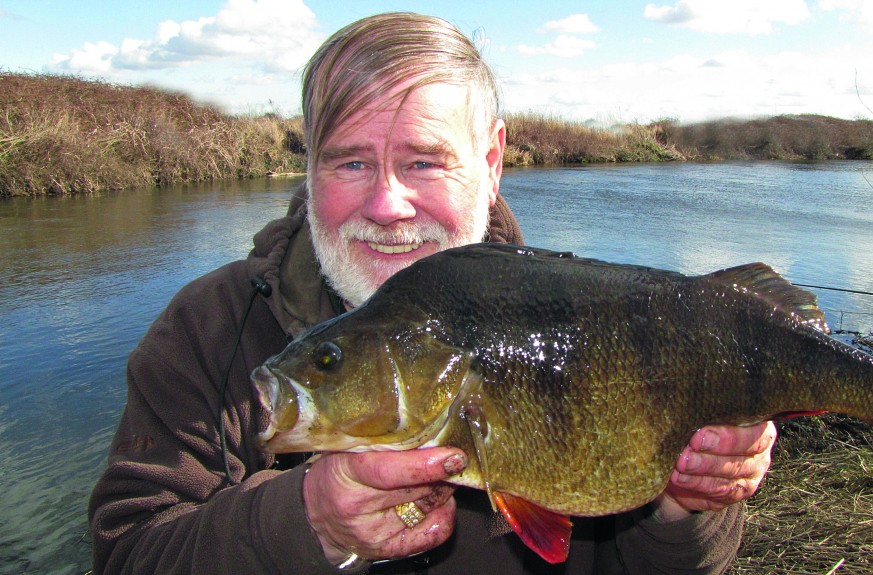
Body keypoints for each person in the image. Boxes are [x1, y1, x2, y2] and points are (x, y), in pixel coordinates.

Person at [89, 12, 776, 575]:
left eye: (423, 161)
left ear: (491, 162)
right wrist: (306, 523)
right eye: (351, 160)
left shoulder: (594, 316)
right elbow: (128, 554)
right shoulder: (205, 334)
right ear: (308, 167)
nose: (389, 204)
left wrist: (688, 504)